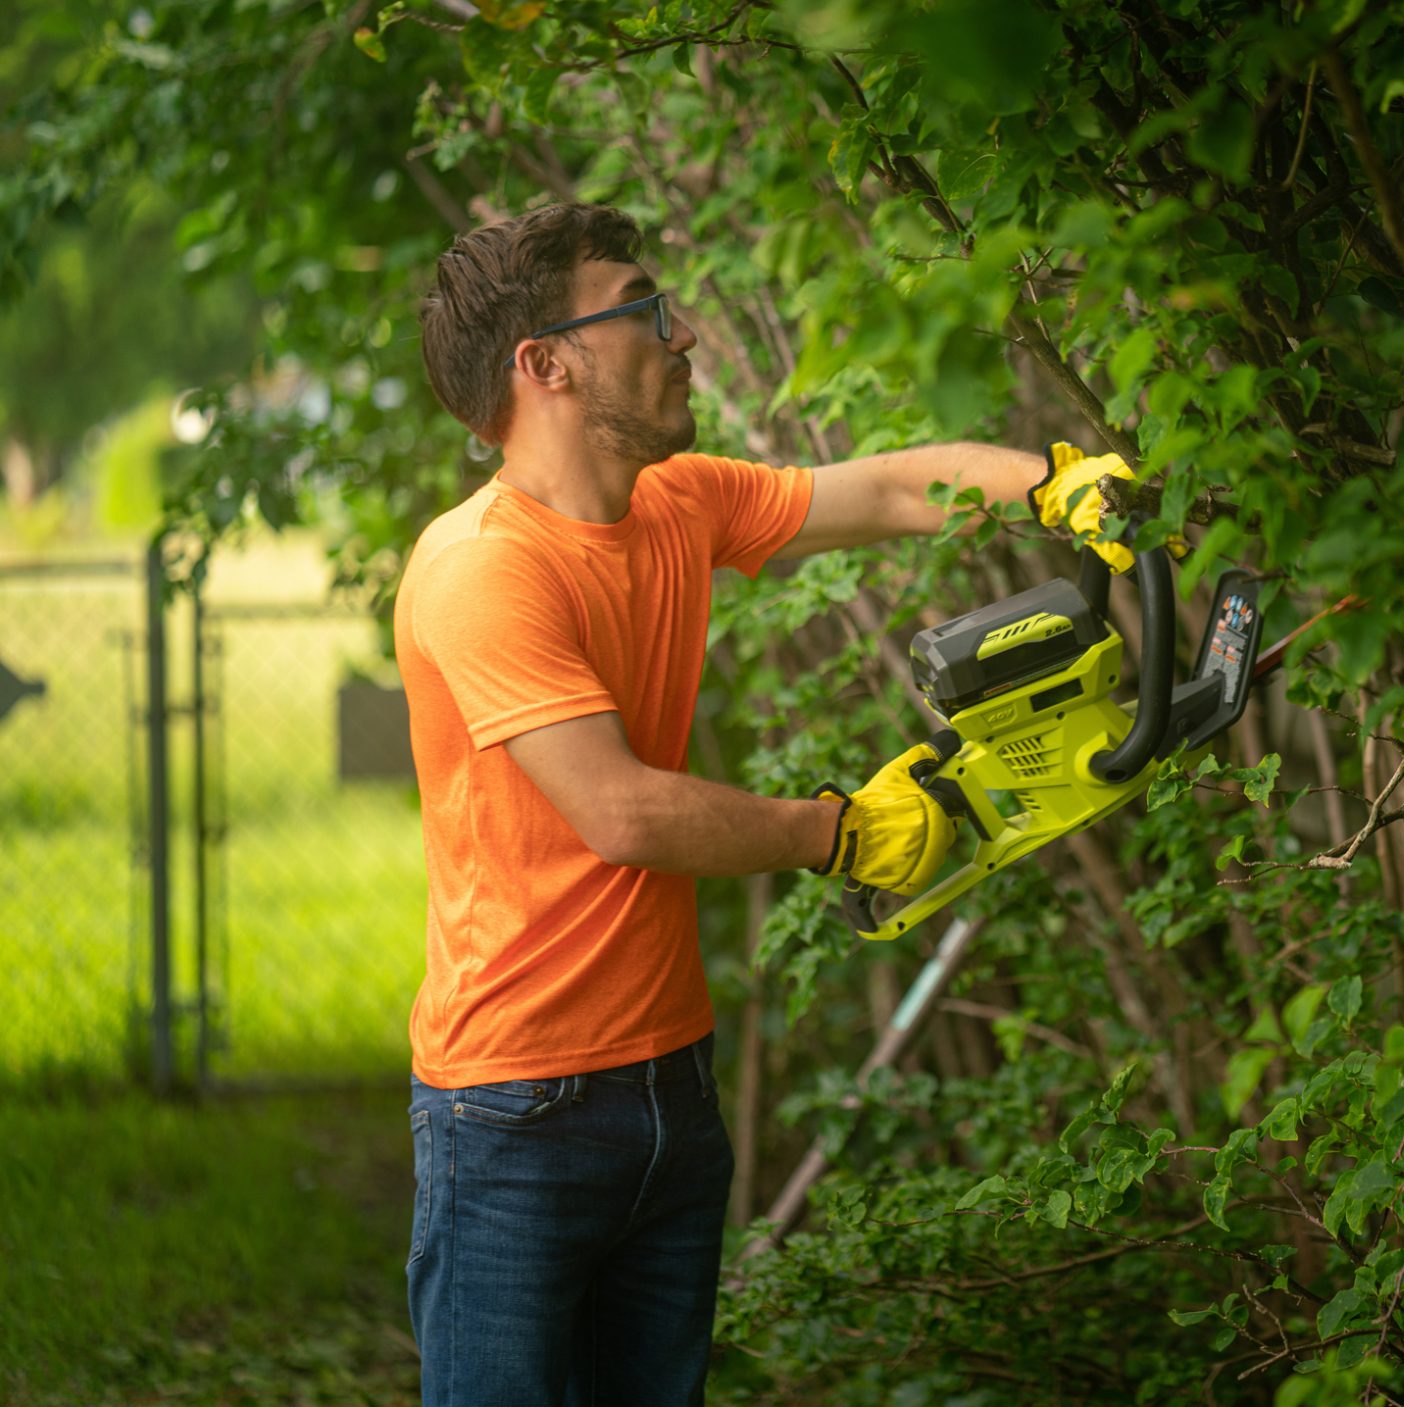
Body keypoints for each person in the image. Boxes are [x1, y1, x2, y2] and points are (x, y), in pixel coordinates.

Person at [396, 201, 1129, 1406]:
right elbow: (619, 813)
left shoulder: (676, 503)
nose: (678, 334)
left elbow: (889, 491)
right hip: (512, 1111)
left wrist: (1052, 484)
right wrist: (839, 831)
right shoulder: (484, 570)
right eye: (640, 308)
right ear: (546, 365)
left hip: (668, 1081)